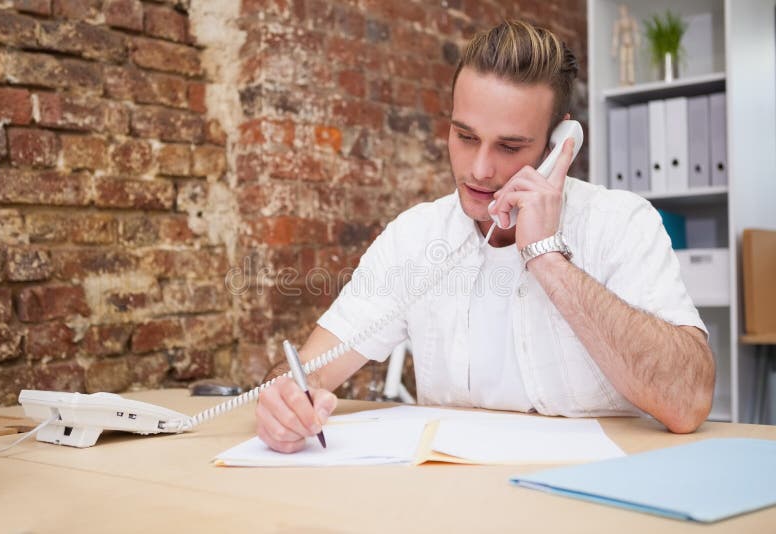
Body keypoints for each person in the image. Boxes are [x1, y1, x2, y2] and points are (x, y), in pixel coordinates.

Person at [255, 20, 715, 453]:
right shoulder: (416, 237)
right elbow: (306, 372)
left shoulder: (621, 223)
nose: (478, 170)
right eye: (465, 136)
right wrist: (285, 401)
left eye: (510, 147)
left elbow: (688, 402)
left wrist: (546, 255)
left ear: (561, 145)